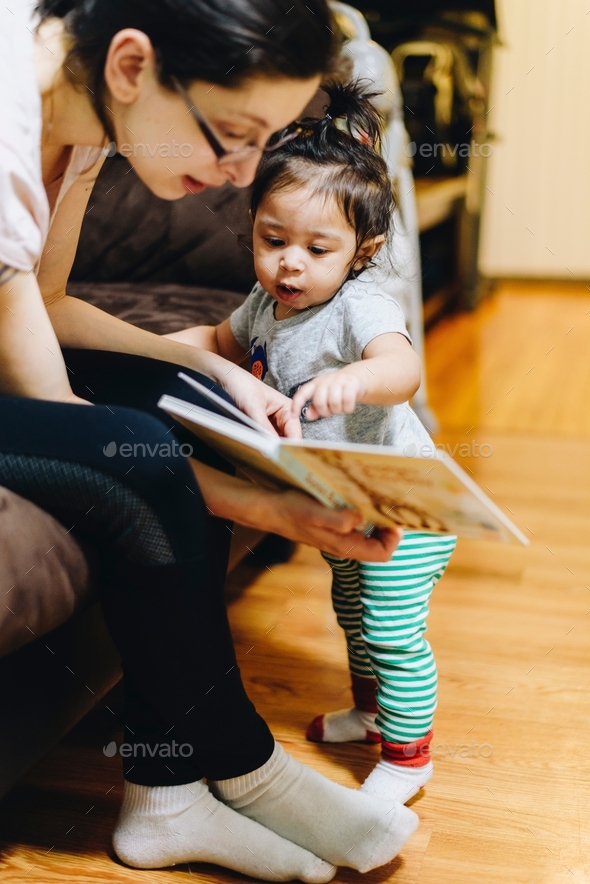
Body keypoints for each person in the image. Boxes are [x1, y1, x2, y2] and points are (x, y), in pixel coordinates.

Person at [0, 1, 420, 878]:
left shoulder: (82, 121)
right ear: (131, 66)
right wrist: (274, 510)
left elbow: (47, 305)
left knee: (200, 399)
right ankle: (244, 763)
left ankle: (165, 794)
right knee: (133, 440)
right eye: (231, 136)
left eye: (259, 144)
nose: (240, 175)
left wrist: (217, 370)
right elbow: (77, 430)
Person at [171, 81, 457, 807]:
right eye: (273, 241)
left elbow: (401, 369)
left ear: (363, 252)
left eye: (316, 248)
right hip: (336, 496)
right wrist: (152, 347)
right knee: (353, 614)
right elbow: (217, 341)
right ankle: (370, 713)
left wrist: (357, 379)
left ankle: (409, 757)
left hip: (405, 503)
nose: (289, 264)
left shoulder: (361, 304)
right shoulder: (265, 304)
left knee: (391, 630)